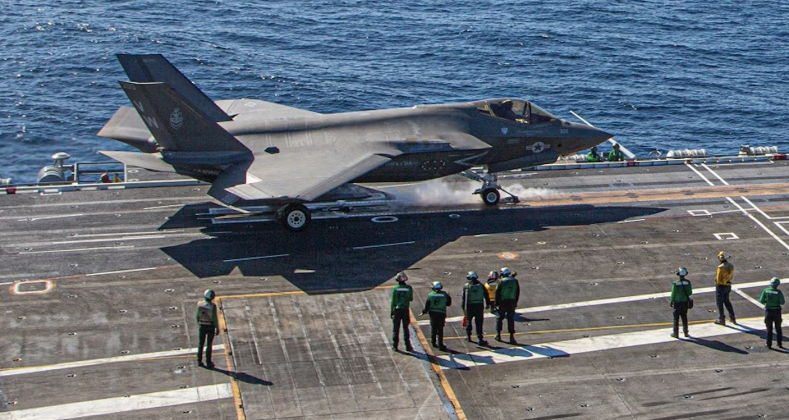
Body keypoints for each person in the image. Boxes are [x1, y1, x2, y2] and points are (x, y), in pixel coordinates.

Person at [420, 281, 452, 351]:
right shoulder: (444, 294)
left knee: (433, 328)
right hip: (441, 313)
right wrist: (449, 297)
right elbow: (448, 304)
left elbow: (427, 306)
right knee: (440, 329)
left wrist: (423, 312)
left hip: (433, 313)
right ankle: (441, 345)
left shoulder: (430, 295)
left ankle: (433, 342)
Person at [462, 271, 491, 345]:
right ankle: (480, 338)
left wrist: (463, 307)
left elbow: (464, 298)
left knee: (469, 321)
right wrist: (488, 304)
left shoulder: (467, 286)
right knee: (479, 323)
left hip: (470, 306)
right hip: (479, 305)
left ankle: (468, 336)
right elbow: (486, 295)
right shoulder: (481, 285)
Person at [495, 267, 520, 344]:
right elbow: (517, 292)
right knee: (511, 319)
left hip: (503, 302)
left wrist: (496, 303)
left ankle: (498, 335)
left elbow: (497, 293)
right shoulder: (515, 281)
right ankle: (511, 336)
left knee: (499, 318)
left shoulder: (501, 282)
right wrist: (515, 302)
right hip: (512, 302)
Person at [390, 272, 414, 352]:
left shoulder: (395, 288)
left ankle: (395, 345)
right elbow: (411, 298)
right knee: (406, 328)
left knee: (396, 329)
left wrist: (391, 312)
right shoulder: (409, 288)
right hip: (405, 310)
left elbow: (393, 301)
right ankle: (408, 346)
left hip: (397, 310)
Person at [759, 277, 785, 349]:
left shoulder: (765, 290)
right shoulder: (778, 292)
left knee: (769, 329)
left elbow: (761, 301)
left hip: (768, 311)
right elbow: (782, 302)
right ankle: (779, 344)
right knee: (778, 329)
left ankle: (769, 344)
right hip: (777, 311)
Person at [196, 289, 219, 368]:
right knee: (209, 345)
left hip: (202, 325)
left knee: (200, 343)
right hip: (210, 326)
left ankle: (199, 360)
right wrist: (217, 328)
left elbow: (197, 316)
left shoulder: (199, 304)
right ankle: (208, 362)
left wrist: (199, 323)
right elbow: (214, 318)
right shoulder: (213, 306)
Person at [669, 267, 693, 338]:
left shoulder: (675, 283)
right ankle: (686, 332)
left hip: (677, 303)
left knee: (676, 318)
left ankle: (676, 333)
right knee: (684, 317)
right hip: (685, 302)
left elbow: (673, 294)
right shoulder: (688, 282)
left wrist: (671, 301)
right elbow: (690, 292)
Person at [714, 251, 736, 325]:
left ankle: (722, 319)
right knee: (727, 302)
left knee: (719, 303)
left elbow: (718, 279)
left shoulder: (720, 267)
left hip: (720, 286)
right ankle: (732, 317)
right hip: (727, 285)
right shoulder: (730, 266)